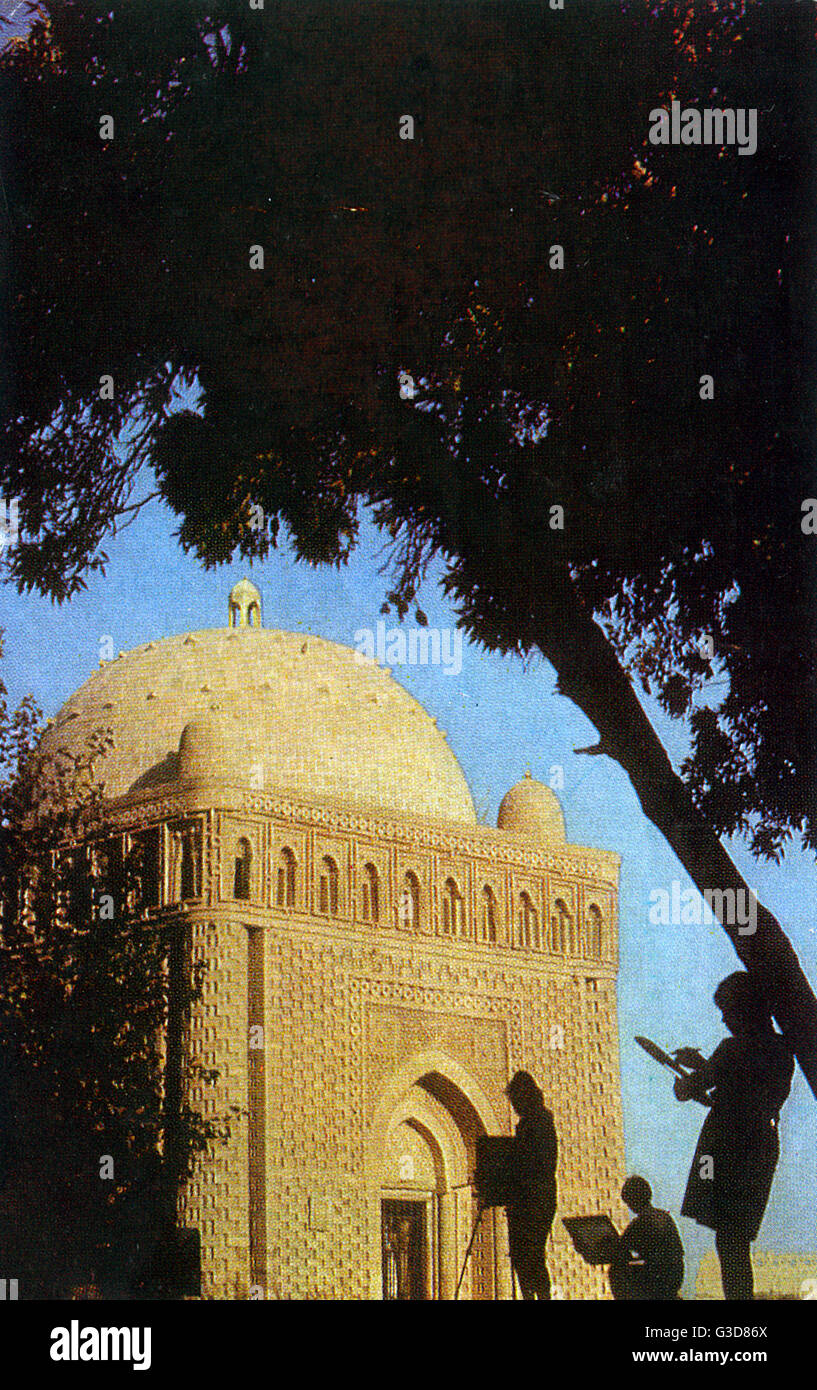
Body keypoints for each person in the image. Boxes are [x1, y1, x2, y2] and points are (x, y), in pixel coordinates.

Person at [673, 971, 794, 1300]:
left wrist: (686, 1074)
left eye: (728, 1011)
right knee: (736, 1236)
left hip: (720, 1151)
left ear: (744, 1010)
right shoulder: (782, 1049)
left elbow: (689, 1089)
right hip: (761, 1149)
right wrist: (703, 1065)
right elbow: (739, 1083)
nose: (725, 1019)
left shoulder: (730, 1050)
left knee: (728, 1240)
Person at [504, 1070, 558, 1299]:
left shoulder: (539, 1123)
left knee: (532, 1256)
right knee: (522, 1257)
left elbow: (540, 1163)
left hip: (535, 1199)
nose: (514, 1105)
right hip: (528, 1199)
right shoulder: (532, 1123)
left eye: (516, 1099)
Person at [608, 1175, 684, 1300]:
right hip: (675, 1276)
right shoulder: (664, 1216)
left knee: (616, 1271)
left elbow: (619, 1249)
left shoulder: (642, 1222)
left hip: (659, 1281)